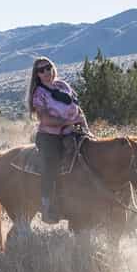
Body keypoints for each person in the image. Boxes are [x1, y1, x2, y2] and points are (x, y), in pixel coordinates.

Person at [27, 57, 89, 223]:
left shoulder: (63, 86)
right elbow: (45, 119)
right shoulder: (39, 94)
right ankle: (47, 207)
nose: (46, 72)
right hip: (49, 136)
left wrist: (85, 126)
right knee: (51, 165)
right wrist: (68, 122)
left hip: (72, 131)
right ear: (37, 75)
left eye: (48, 68)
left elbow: (78, 108)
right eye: (41, 70)